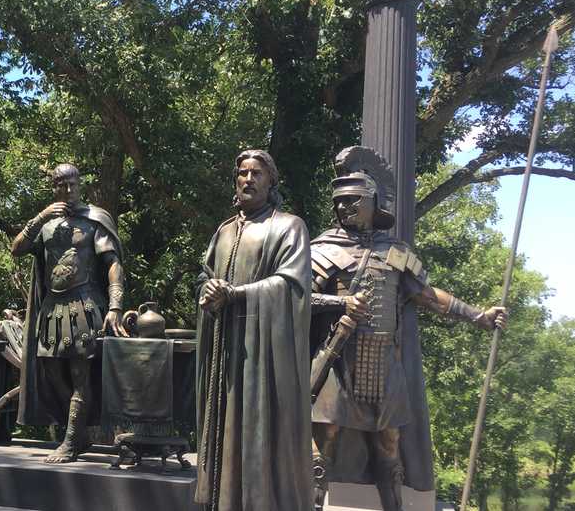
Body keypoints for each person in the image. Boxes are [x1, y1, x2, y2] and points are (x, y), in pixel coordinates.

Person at [309, 147, 506, 511]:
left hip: (385, 363)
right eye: (339, 202)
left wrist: (479, 316)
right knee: (323, 444)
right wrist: (340, 304)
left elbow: (428, 296)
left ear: (373, 202)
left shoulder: (395, 251)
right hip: (338, 361)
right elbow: (298, 299)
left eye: (352, 200)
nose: (344, 207)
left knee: (389, 446)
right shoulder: (322, 249)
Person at [195, 149, 312, 509]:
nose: (247, 179)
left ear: (271, 181)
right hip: (224, 348)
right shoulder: (224, 230)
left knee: (258, 430)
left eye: (256, 173)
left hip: (263, 356)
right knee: (223, 428)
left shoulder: (289, 227)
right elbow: (204, 275)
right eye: (242, 173)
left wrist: (236, 294)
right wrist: (208, 290)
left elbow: (292, 285)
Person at [11, 163, 127, 463]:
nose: (69, 190)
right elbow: (17, 248)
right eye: (62, 185)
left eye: (73, 184)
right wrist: (40, 218)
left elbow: (113, 263)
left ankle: (72, 440)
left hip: (84, 304)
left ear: (80, 185)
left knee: (80, 375)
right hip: (52, 307)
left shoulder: (94, 219)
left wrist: (115, 305)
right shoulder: (46, 224)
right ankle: (78, 433)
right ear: (55, 187)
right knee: (51, 373)